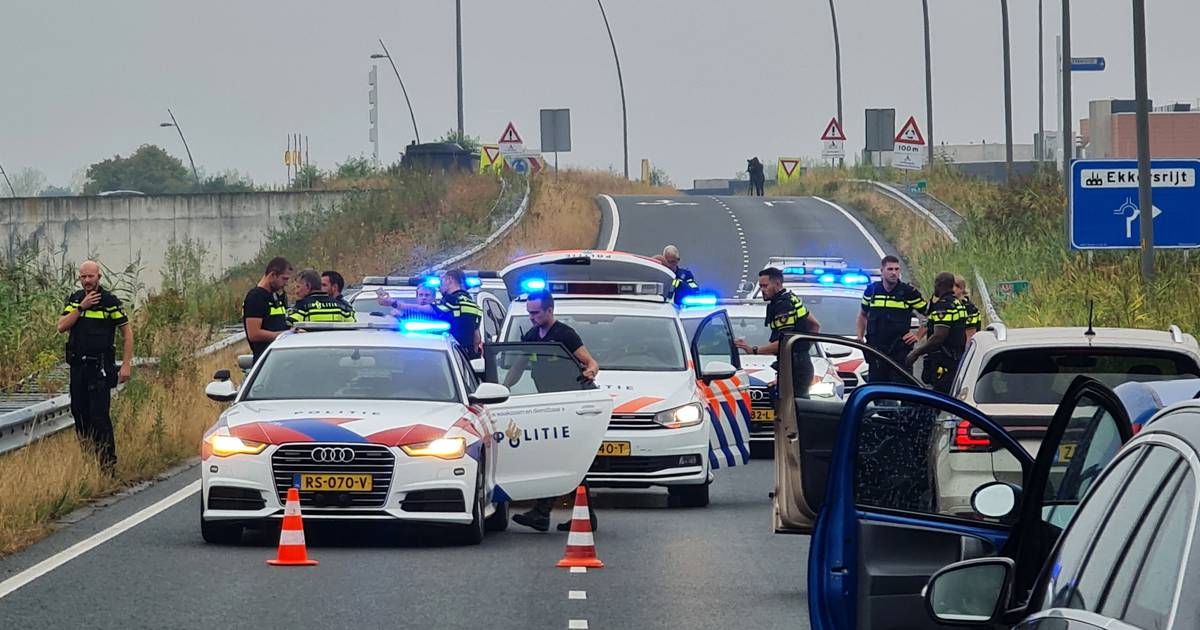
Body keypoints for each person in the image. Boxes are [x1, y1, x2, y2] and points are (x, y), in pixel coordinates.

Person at [509, 290, 601, 532]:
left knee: (565, 457)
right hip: (545, 405)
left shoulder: (564, 335)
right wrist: (499, 390)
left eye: (536, 313)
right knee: (557, 457)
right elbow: (518, 368)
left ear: (550, 310)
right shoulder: (531, 335)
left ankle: (549, 513)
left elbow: (591, 363)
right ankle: (563, 513)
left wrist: (589, 372)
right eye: (529, 313)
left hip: (567, 405)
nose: (531, 317)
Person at [57, 260, 133, 473]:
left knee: (99, 417)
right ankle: (89, 463)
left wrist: (126, 365)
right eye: (83, 277)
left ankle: (108, 467)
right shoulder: (75, 301)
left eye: (91, 276)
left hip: (99, 369)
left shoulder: (110, 302)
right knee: (80, 415)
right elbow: (61, 326)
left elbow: (127, 333)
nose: (87, 281)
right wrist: (82, 307)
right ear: (79, 278)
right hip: (78, 369)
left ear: (99, 277)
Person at [734, 267, 821, 398]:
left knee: (790, 411)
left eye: (765, 286)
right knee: (794, 408)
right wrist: (803, 349)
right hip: (799, 363)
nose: (763, 290)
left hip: (794, 368)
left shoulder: (783, 306)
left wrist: (754, 350)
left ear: (778, 284)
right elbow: (815, 325)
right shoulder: (791, 298)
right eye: (761, 286)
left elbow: (784, 342)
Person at [856, 255, 927, 384]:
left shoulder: (908, 292)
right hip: (876, 351)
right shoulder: (871, 291)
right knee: (877, 392)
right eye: (890, 269)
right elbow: (862, 314)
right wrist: (860, 337)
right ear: (882, 271)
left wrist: (918, 335)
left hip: (899, 352)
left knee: (903, 391)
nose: (894, 273)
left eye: (896, 269)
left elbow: (931, 316)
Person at [381, 269, 483, 359]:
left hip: (450, 355)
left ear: (449, 280)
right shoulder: (472, 304)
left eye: (442, 282)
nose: (440, 287)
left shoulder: (452, 300)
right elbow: (477, 339)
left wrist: (393, 303)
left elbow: (428, 310)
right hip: (465, 359)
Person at [906, 272, 967, 394]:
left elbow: (939, 337)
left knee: (940, 397)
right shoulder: (958, 303)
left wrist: (916, 353)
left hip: (945, 360)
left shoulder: (943, 306)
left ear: (939, 284)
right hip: (957, 357)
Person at [243, 257, 292, 364]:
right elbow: (254, 334)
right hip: (265, 361)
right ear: (273, 275)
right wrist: (286, 335)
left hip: (281, 359)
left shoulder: (276, 296)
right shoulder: (256, 297)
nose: (286, 283)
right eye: (284, 279)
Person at [289, 269, 356, 323]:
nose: (296, 292)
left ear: (308, 286)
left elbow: (289, 325)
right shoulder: (341, 307)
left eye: (298, 287)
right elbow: (353, 326)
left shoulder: (302, 306)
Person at [954, 274, 982, 343]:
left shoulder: (969, 308)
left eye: (954, 286)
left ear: (961, 289)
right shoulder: (953, 304)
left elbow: (970, 337)